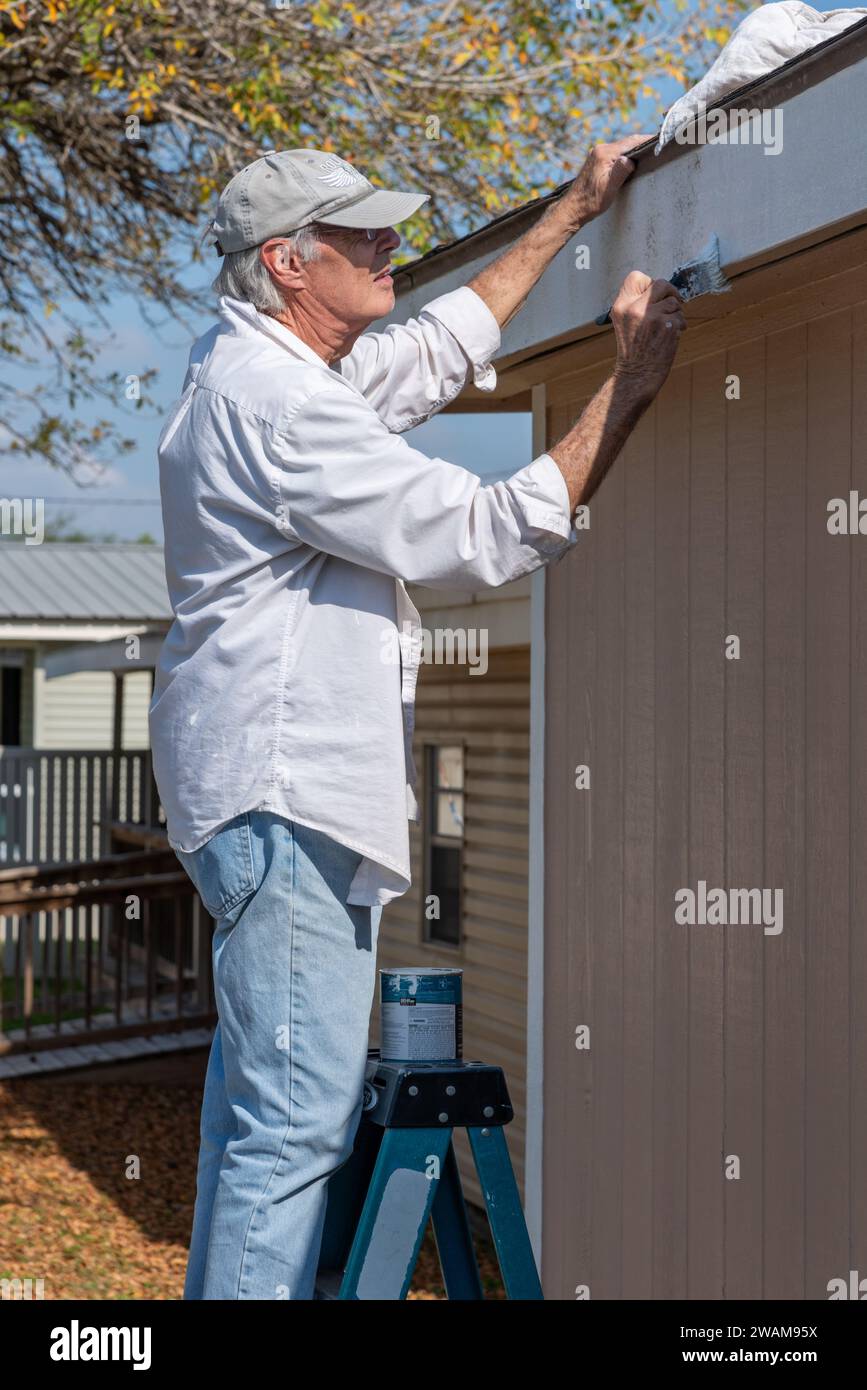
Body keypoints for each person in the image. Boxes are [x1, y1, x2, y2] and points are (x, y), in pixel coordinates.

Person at [149, 141, 686, 1300]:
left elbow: (433, 352)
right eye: (363, 236)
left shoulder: (266, 371)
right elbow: (488, 534)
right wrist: (632, 381)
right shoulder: (281, 409)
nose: (391, 244)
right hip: (286, 801)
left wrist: (570, 213)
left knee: (261, 1132)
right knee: (293, 1135)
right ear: (290, 264)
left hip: (258, 799)